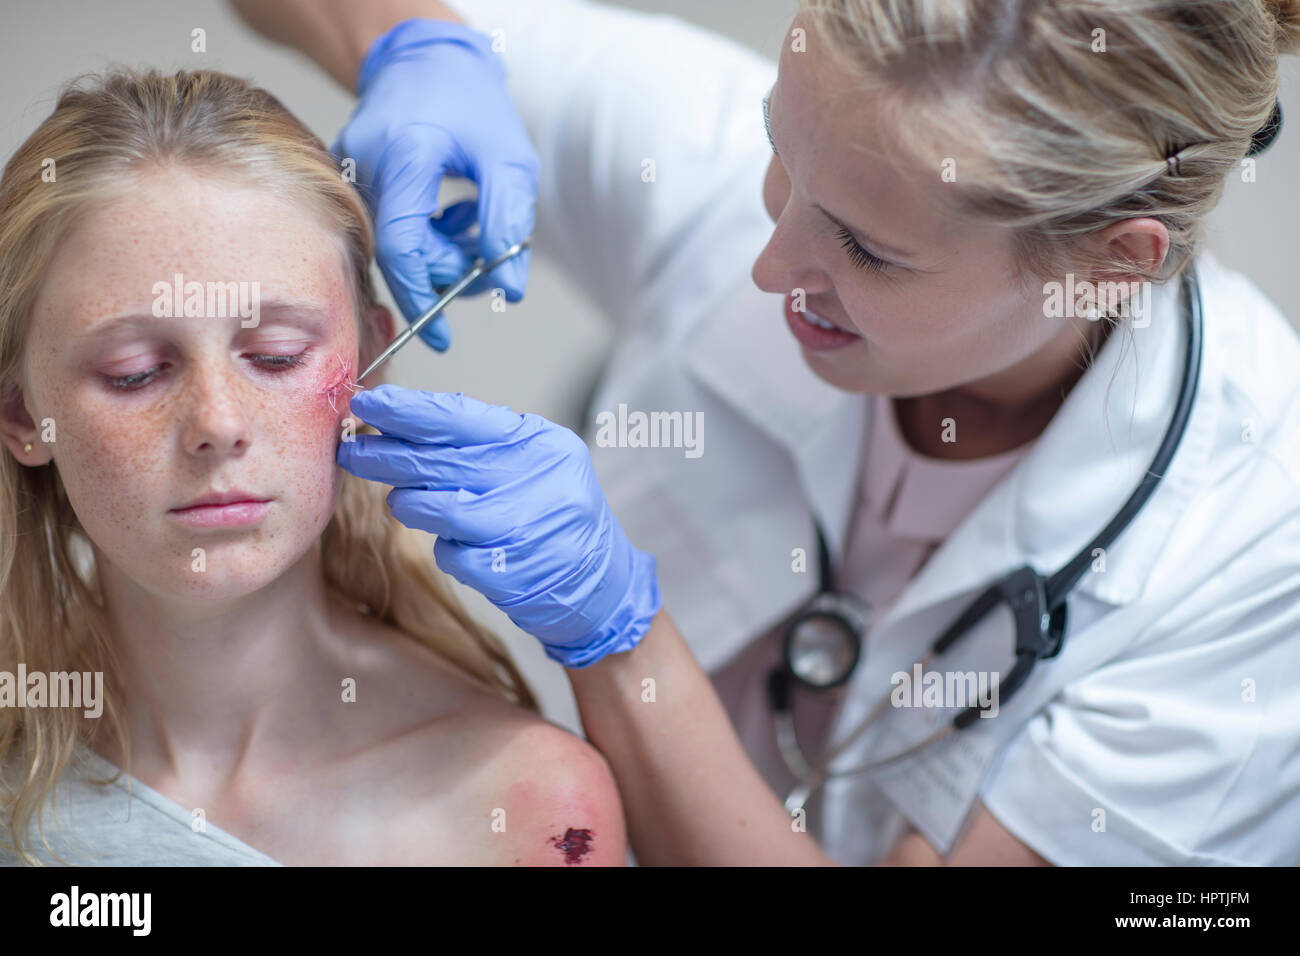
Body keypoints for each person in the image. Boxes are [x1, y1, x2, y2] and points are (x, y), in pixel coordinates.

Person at [237, 0, 1300, 865]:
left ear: (1111, 263)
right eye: (778, 156)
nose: (767, 261)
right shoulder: (731, 152)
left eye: (868, 251)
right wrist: (422, 48)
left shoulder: (1253, 546)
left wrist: (619, 634)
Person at [0, 68, 625, 866]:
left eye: (276, 355)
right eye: (134, 371)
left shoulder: (527, 805)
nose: (218, 425)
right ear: (22, 414)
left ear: (367, 369)